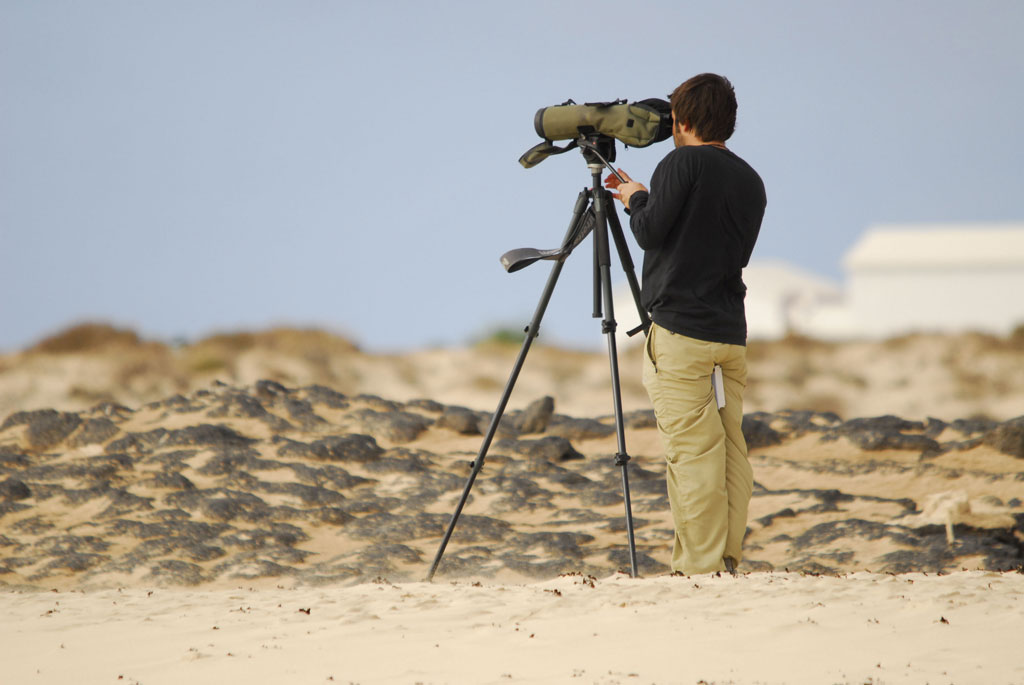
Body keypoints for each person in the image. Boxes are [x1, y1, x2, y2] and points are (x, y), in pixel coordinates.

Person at [605, 73, 766, 575]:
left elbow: (651, 232)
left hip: (681, 334)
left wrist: (635, 197)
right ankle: (726, 559)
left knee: (694, 456)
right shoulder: (750, 179)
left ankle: (699, 571)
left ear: (685, 120)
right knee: (729, 452)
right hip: (729, 335)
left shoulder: (682, 162)